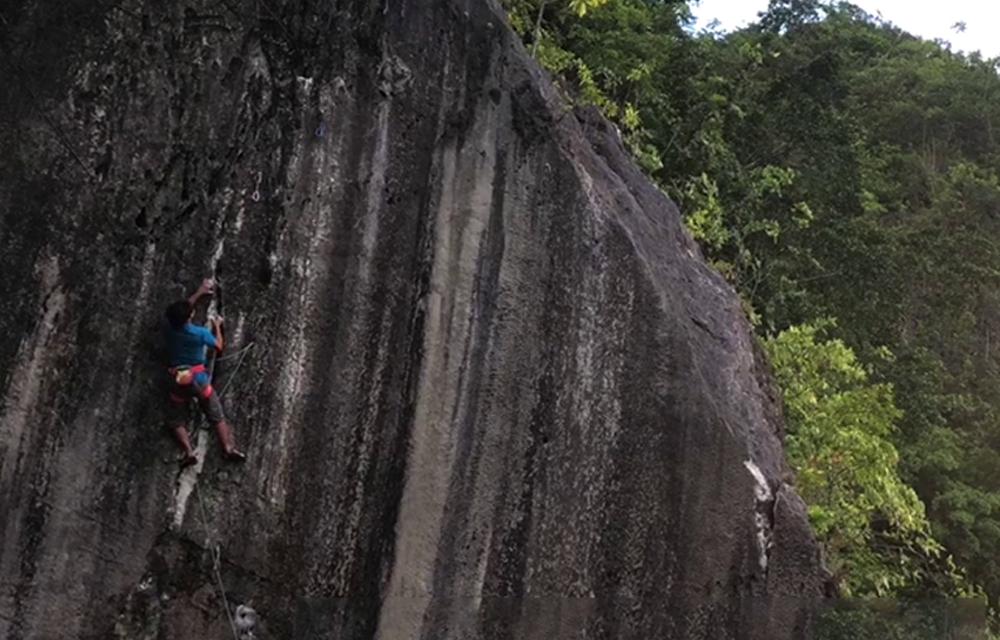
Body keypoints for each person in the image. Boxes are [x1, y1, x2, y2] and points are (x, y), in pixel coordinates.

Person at [163, 278, 246, 466]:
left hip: (180, 379)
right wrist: (217, 326)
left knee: (175, 418)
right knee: (216, 414)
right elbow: (218, 346)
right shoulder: (199, 333)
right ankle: (227, 448)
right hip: (199, 379)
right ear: (189, 317)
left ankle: (189, 451)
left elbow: (183, 312)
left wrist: (199, 292)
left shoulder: (170, 330)